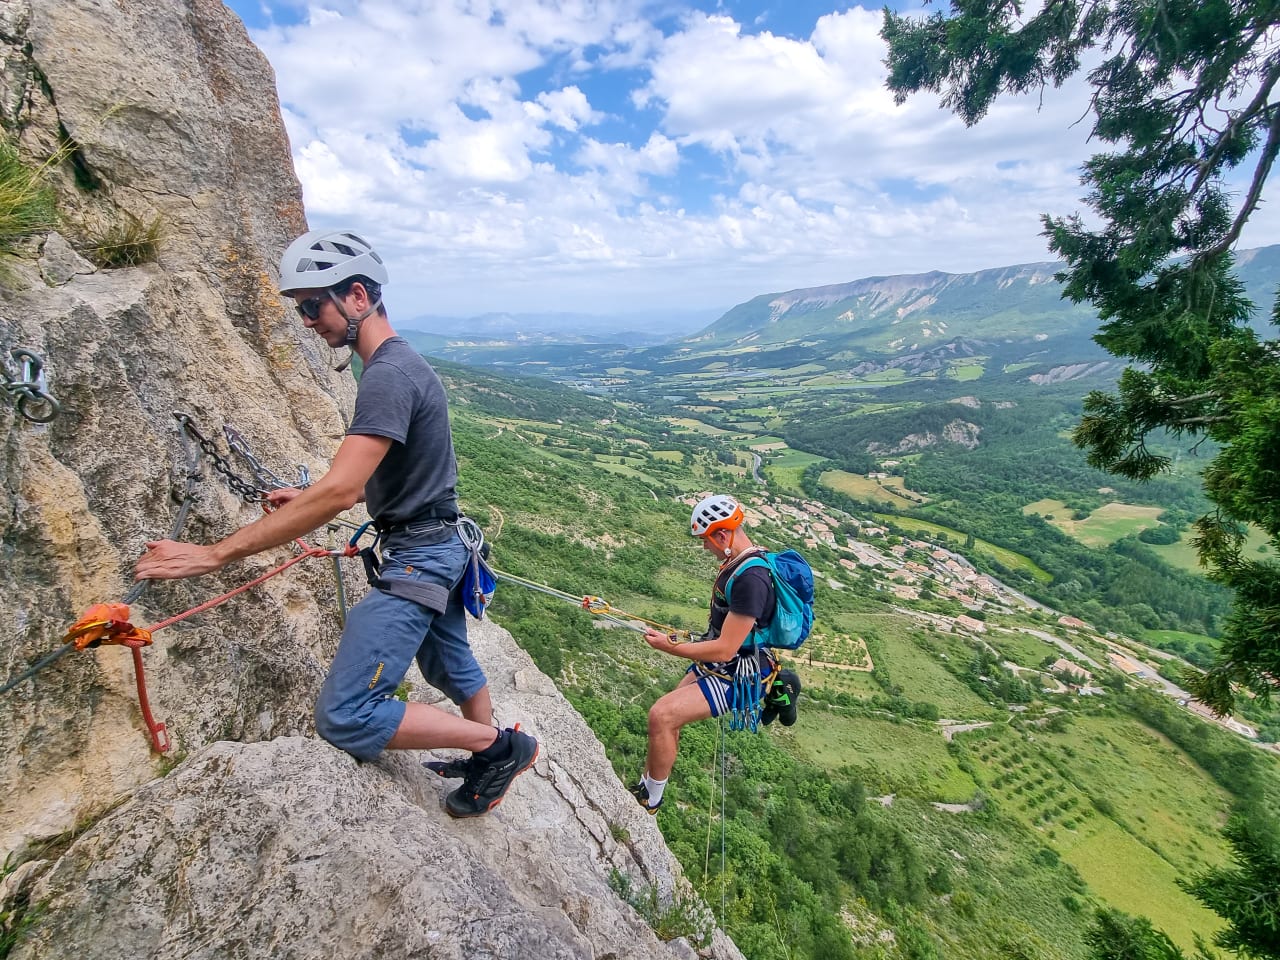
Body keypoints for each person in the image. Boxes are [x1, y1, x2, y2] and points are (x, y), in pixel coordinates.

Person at [134, 229, 537, 819]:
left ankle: (501, 748)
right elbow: (380, 471)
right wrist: (305, 495)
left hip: (419, 556)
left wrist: (214, 554)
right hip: (439, 542)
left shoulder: (387, 374)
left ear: (355, 296)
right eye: (301, 308)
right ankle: (486, 757)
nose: (305, 320)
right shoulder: (394, 367)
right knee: (446, 664)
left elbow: (345, 488)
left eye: (311, 305)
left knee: (346, 715)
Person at [631, 494, 800, 814]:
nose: (704, 547)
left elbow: (726, 647)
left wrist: (672, 648)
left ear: (722, 535)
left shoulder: (751, 579)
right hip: (723, 664)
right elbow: (726, 634)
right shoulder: (745, 563)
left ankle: (650, 801)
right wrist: (682, 641)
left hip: (737, 674)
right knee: (665, 723)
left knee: (661, 716)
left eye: (706, 540)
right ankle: (648, 786)